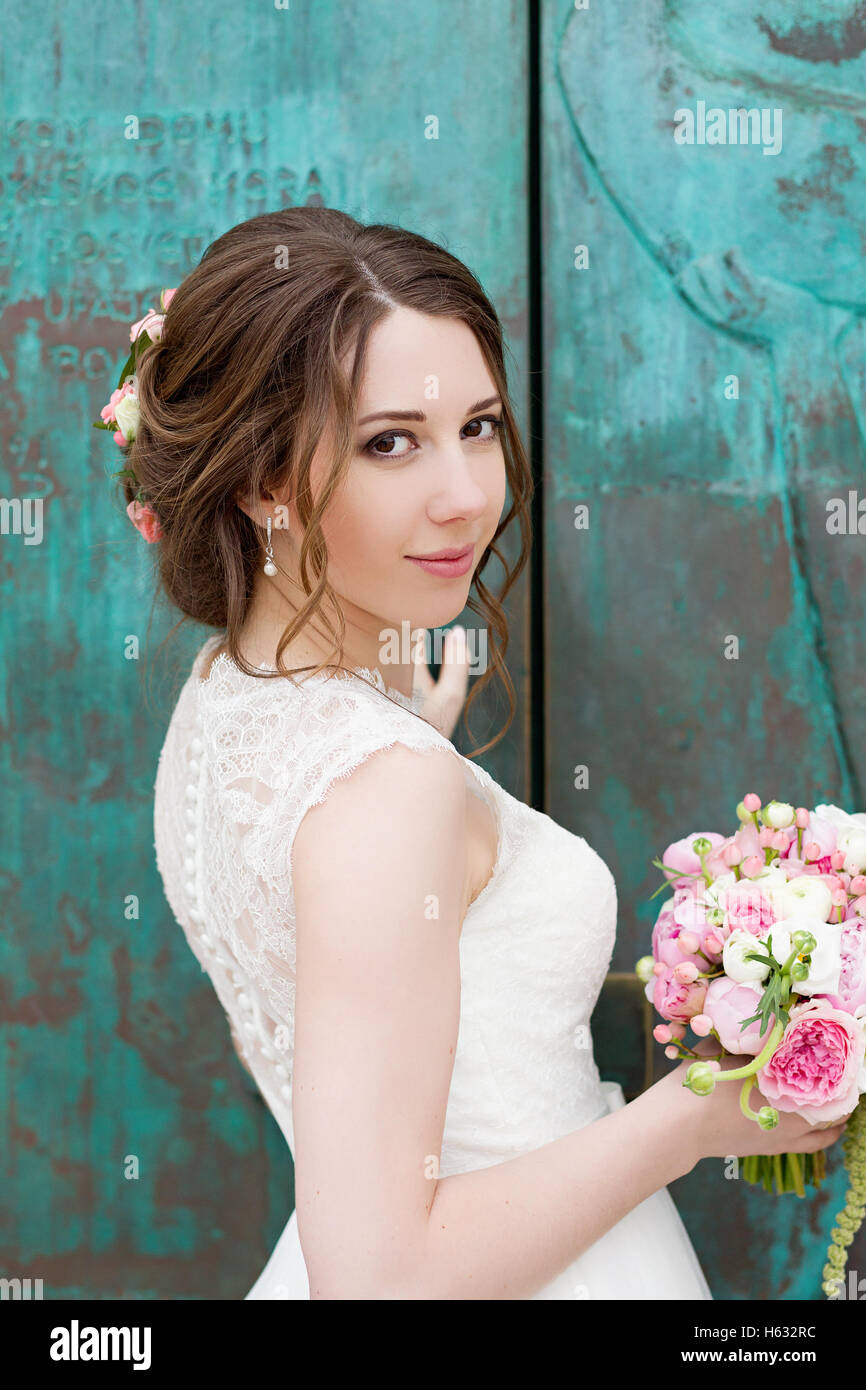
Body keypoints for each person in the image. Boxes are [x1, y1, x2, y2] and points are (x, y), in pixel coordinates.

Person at [111, 207, 846, 1299]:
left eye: (480, 425)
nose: (465, 496)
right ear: (263, 479)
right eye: (389, 441)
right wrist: (695, 1114)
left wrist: (413, 736)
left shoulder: (225, 697)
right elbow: (380, 1278)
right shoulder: (379, 794)